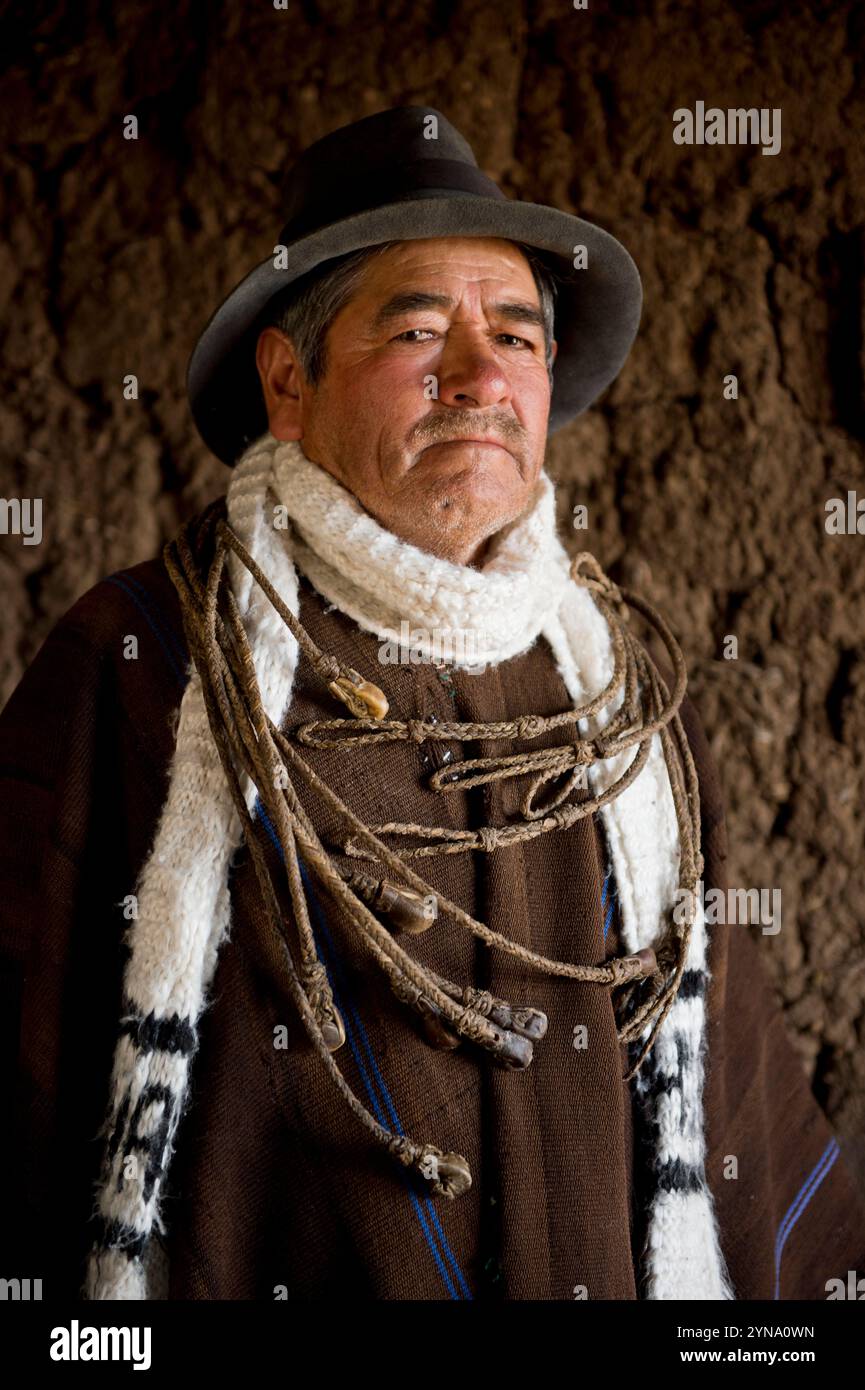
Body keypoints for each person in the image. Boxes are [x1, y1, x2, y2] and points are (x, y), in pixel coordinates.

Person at [3, 105, 863, 1303]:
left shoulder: (621, 694)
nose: (479, 376)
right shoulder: (149, 661)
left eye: (514, 337)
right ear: (289, 380)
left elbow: (734, 1105)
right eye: (417, 329)